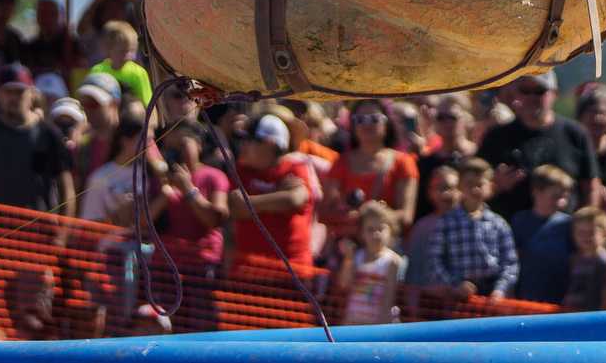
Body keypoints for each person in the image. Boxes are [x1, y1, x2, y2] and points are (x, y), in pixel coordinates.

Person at [476, 71, 599, 221]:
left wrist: (584, 225)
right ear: (516, 93)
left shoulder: (576, 134)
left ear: (554, 94)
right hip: (511, 235)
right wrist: (496, 185)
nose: (532, 97)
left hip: (563, 234)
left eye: (539, 91)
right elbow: (473, 188)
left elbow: (590, 188)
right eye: (525, 91)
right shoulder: (496, 137)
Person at [0, 67, 74, 214]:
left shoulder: (50, 134)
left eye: (19, 91)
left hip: (40, 231)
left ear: (31, 94)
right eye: (8, 92)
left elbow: (66, 189)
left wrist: (62, 235)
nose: (14, 97)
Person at [227, 114, 317, 271]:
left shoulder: (295, 168)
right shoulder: (243, 170)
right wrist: (277, 192)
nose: (243, 146)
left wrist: (248, 202)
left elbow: (294, 199)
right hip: (247, 271)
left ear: (268, 143)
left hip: (289, 273)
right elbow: (236, 209)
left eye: (249, 141)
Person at [324, 103, 420, 242]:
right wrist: (349, 217)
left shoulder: (403, 162)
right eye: (360, 119)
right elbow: (324, 213)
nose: (366, 124)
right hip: (347, 248)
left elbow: (406, 217)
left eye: (374, 119)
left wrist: (368, 217)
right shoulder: (341, 162)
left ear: (387, 124)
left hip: (385, 247)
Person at [429, 156, 519, 300]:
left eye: (480, 184)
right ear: (459, 185)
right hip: (457, 295)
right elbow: (435, 261)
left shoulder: (498, 223)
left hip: (490, 295)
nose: (475, 189)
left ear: (490, 187)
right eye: (470, 184)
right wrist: (456, 284)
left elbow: (510, 262)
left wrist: (500, 289)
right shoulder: (445, 222)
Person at [157, 123, 231, 268]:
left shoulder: (213, 176)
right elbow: (142, 222)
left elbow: (216, 219)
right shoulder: (161, 178)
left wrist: (188, 190)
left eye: (182, 145)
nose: (176, 152)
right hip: (164, 264)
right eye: (170, 148)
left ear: (198, 144)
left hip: (201, 262)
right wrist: (161, 196)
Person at [508, 165, 577, 306]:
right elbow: (514, 259)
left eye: (564, 197)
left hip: (560, 300)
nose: (561, 202)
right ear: (536, 193)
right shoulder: (521, 221)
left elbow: (574, 261)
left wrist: (572, 292)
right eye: (555, 197)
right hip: (528, 297)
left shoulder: (567, 224)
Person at [335, 200, 405, 326]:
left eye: (381, 229)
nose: (376, 234)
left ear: (390, 231)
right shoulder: (357, 256)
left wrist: (380, 328)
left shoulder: (392, 261)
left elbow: (388, 298)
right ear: (362, 233)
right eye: (370, 229)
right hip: (354, 321)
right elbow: (344, 283)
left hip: (377, 324)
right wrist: (349, 258)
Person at [561, 207, 606, 312]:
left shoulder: (603, 260)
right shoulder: (578, 260)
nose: (585, 237)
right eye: (581, 233)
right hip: (576, 314)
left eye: (591, 232)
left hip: (594, 316)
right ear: (573, 234)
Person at [88, 22, 153, 106]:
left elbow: (149, 106)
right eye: (123, 51)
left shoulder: (139, 73)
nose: (129, 56)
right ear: (107, 48)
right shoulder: (97, 72)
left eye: (132, 51)